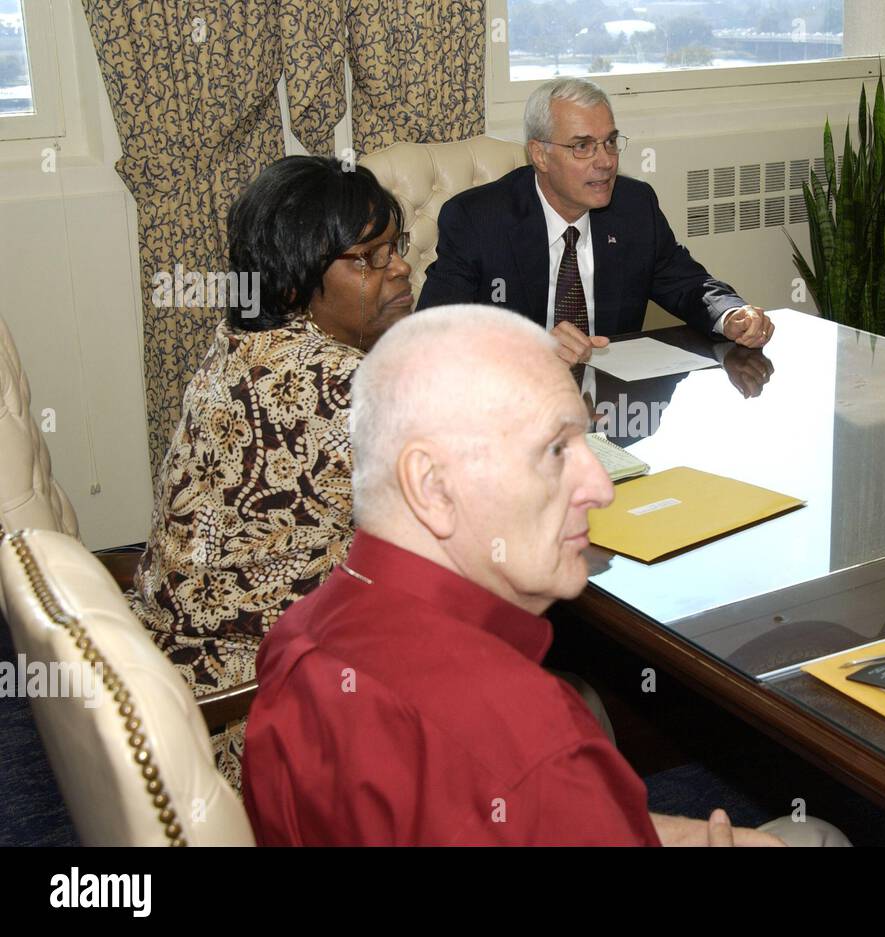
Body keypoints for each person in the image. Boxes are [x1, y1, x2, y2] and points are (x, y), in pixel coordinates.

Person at [242, 305, 848, 846]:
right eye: (556, 450)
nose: (601, 487)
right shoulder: (529, 741)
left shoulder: (299, 639)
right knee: (815, 832)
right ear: (431, 485)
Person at [129, 156, 414, 787]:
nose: (398, 268)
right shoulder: (346, 389)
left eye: (396, 247)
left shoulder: (241, 343)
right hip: (253, 709)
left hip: (178, 663)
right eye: (368, 258)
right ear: (292, 283)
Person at [415, 77, 774, 366]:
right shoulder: (477, 219)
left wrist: (731, 314)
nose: (604, 161)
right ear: (540, 154)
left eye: (610, 142)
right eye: (583, 146)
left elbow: (688, 284)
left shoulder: (634, 207)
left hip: (616, 408)